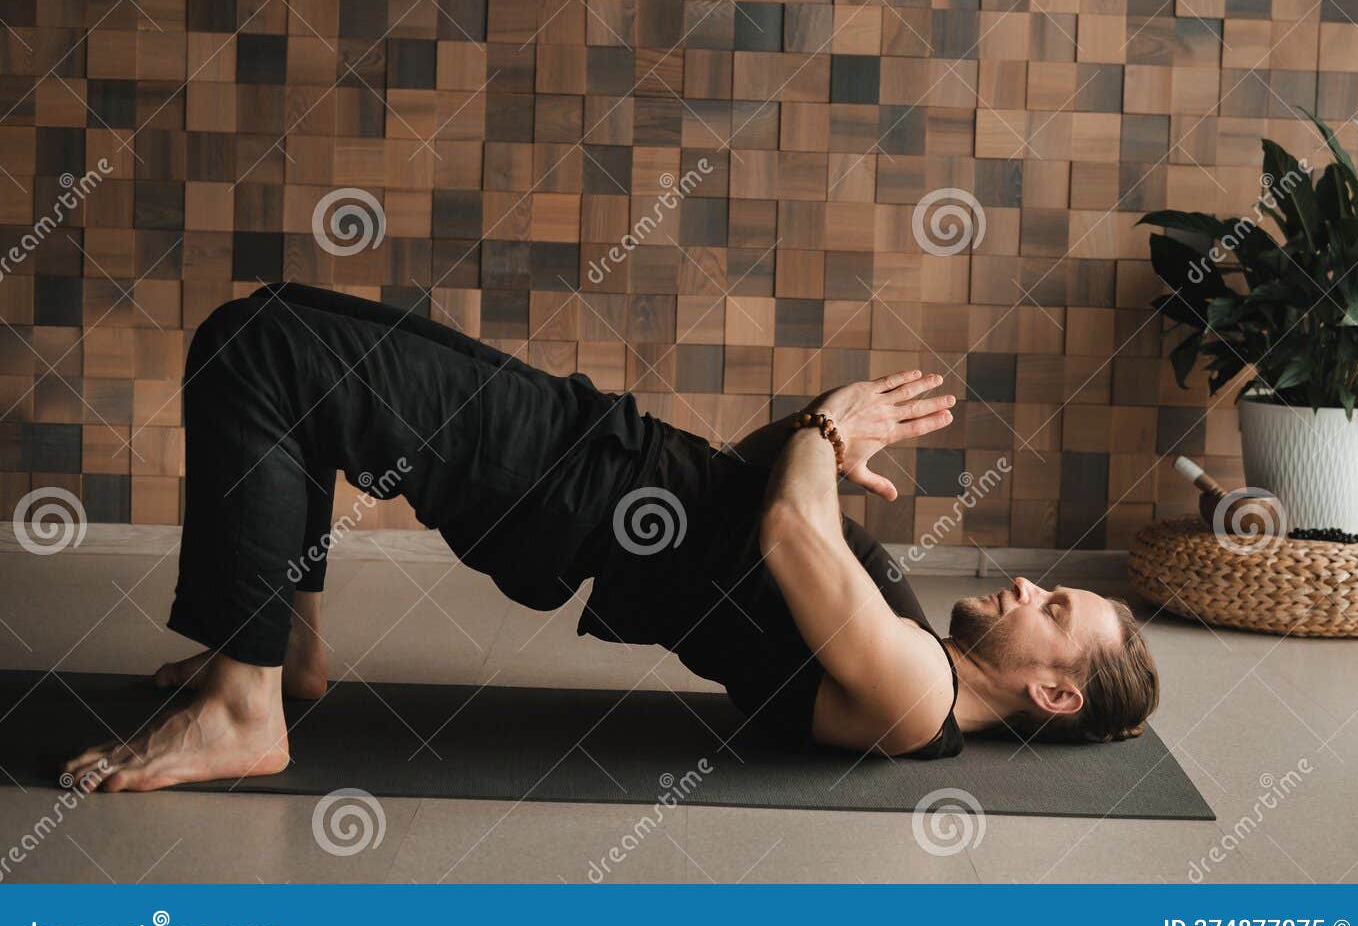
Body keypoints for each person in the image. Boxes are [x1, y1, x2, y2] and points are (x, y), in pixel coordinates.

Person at [63, 284, 1159, 792]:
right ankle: (283, 648)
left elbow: (782, 526)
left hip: (565, 491)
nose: (1029, 585)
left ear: (1057, 694)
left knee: (261, 350)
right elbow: (749, 494)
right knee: (277, 321)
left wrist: (829, 429)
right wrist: (812, 436)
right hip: (596, 458)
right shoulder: (913, 648)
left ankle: (244, 708)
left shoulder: (919, 699)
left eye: (1057, 611)